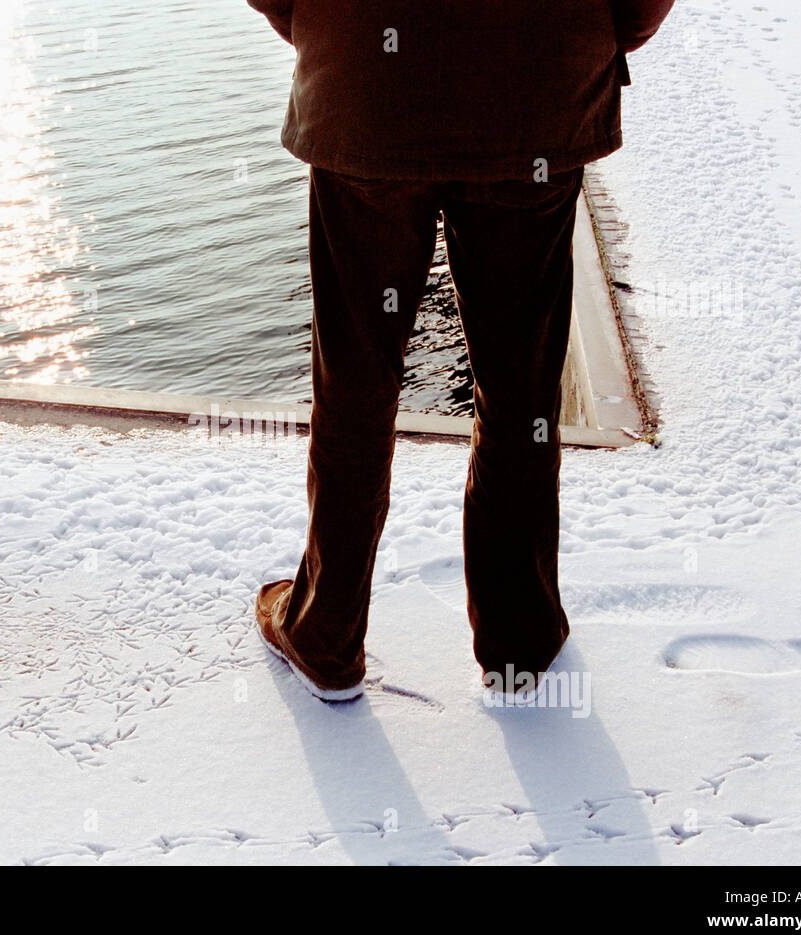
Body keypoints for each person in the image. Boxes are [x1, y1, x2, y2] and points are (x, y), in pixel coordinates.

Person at [249, 0, 674, 702]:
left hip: (367, 91)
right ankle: (519, 642)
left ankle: (327, 632)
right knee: (522, 385)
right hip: (535, 93)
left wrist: (326, 26)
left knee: (355, 377)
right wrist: (591, 31)